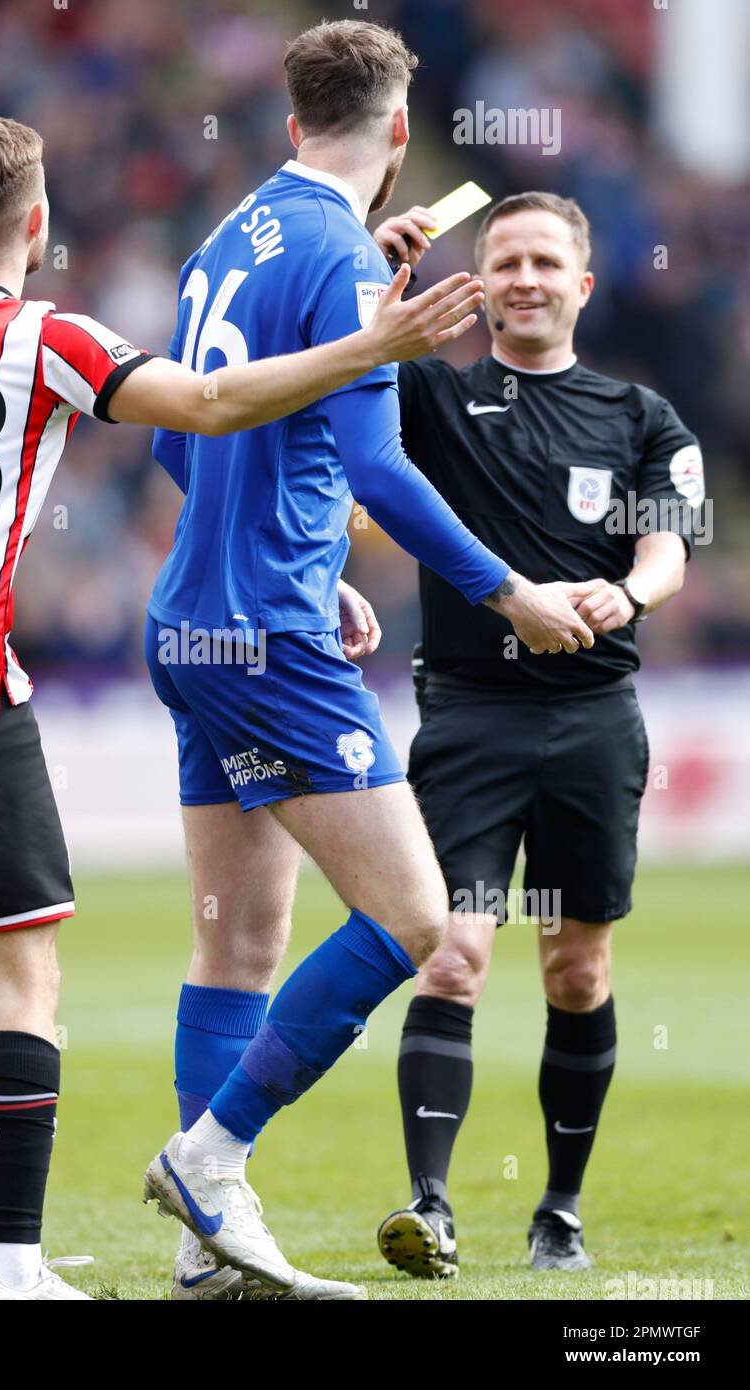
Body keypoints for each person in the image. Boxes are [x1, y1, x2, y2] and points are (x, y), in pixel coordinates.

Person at [0, 112, 479, 1302]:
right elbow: (213, 406)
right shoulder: (45, 336)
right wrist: (360, 344)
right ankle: (14, 1268)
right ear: (36, 220)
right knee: (20, 988)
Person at [140, 20, 594, 1300]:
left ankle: (201, 1251)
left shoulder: (227, 241)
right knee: (411, 917)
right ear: (401, 133)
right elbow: (381, 463)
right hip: (270, 635)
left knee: (236, 942)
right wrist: (505, 589)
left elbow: (188, 439)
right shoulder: (344, 256)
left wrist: (303, 544)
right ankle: (210, 1154)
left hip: (192, 618)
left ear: (293, 125)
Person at [370, 190, 702, 1276]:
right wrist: (379, 279)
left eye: (541, 261)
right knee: (453, 954)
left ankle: (556, 1208)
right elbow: (336, 370)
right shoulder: (429, 395)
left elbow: (667, 547)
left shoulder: (641, 416)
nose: (521, 278)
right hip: (468, 718)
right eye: (502, 259)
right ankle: (429, 1204)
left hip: (593, 719)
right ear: (477, 282)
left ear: (580, 282)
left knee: (574, 968)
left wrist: (629, 594)